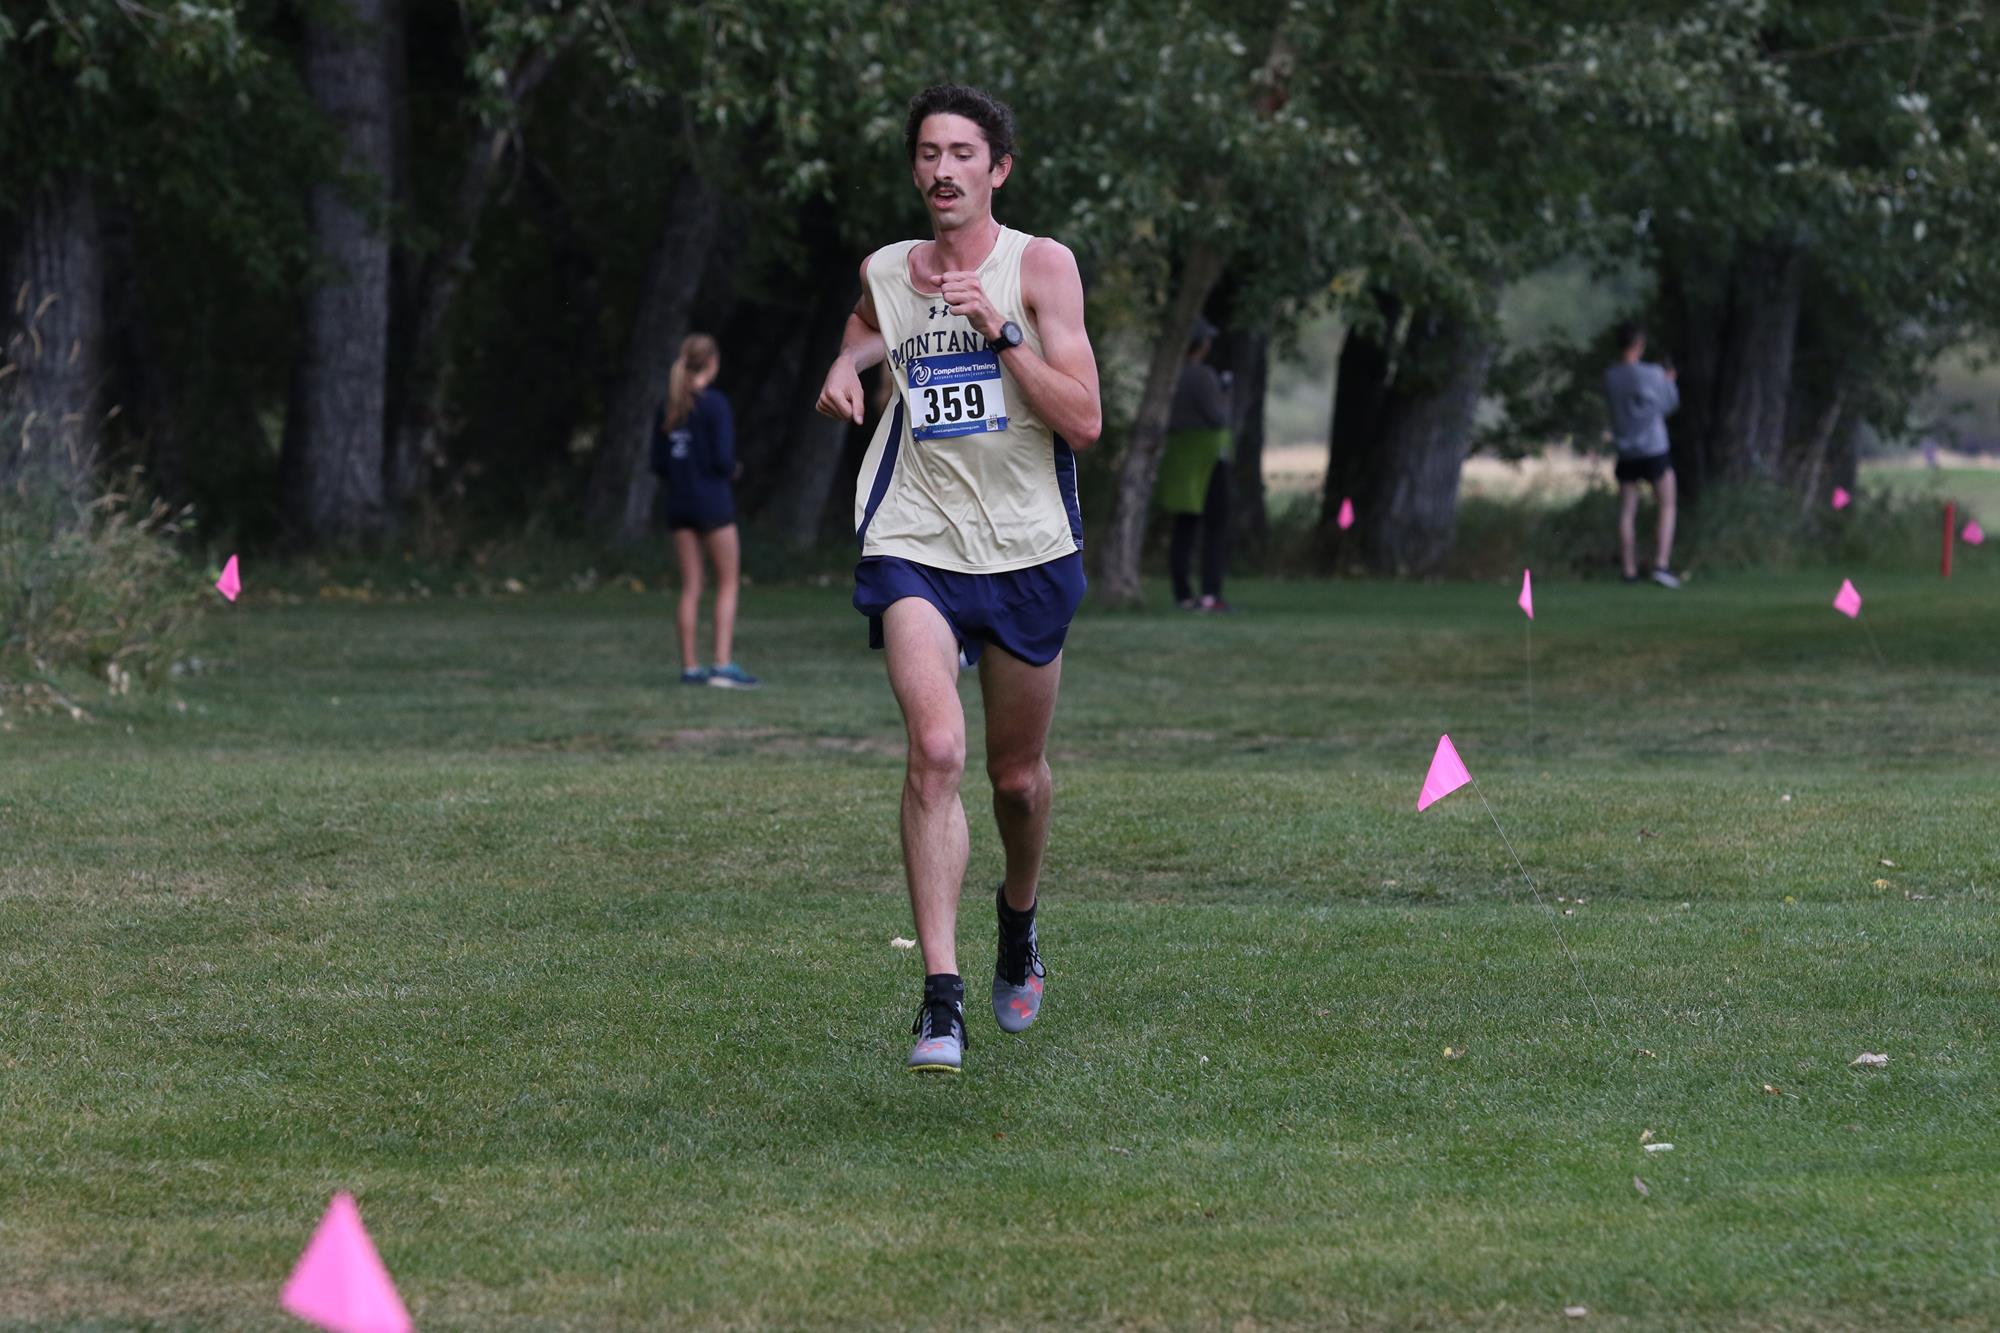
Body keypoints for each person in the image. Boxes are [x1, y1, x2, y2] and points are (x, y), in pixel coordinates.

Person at [815, 83, 1102, 1074]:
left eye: (961, 154)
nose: (941, 170)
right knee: (934, 747)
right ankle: (939, 996)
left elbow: (1084, 420)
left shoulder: (1041, 268)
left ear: (997, 169)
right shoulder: (887, 269)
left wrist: (1001, 328)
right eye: (927, 154)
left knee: (1014, 779)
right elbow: (870, 321)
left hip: (1025, 551)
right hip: (914, 543)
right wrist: (848, 364)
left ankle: (1016, 921)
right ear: (915, 169)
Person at [652, 332, 760, 688]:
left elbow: (658, 462)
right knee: (727, 582)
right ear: (712, 363)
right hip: (713, 504)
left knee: (691, 586)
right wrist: (734, 470)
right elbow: (722, 460)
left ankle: (689, 668)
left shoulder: (668, 406)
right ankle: (722, 665)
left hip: (678, 503)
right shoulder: (715, 404)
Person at [1159, 315, 1234, 611]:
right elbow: (1218, 417)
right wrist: (1226, 391)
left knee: (1184, 528)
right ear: (1201, 344)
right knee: (1215, 526)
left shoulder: (1170, 375)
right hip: (1207, 459)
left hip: (1178, 458)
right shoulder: (1201, 376)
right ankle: (1211, 594)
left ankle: (1183, 595)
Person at [1603, 322, 1682, 588]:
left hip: (1626, 450)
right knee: (1667, 504)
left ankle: (1629, 569)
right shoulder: (1652, 373)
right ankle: (1661, 564)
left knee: (1627, 511)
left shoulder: (1610, 376)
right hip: (1653, 448)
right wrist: (1669, 383)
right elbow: (1669, 404)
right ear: (1638, 344)